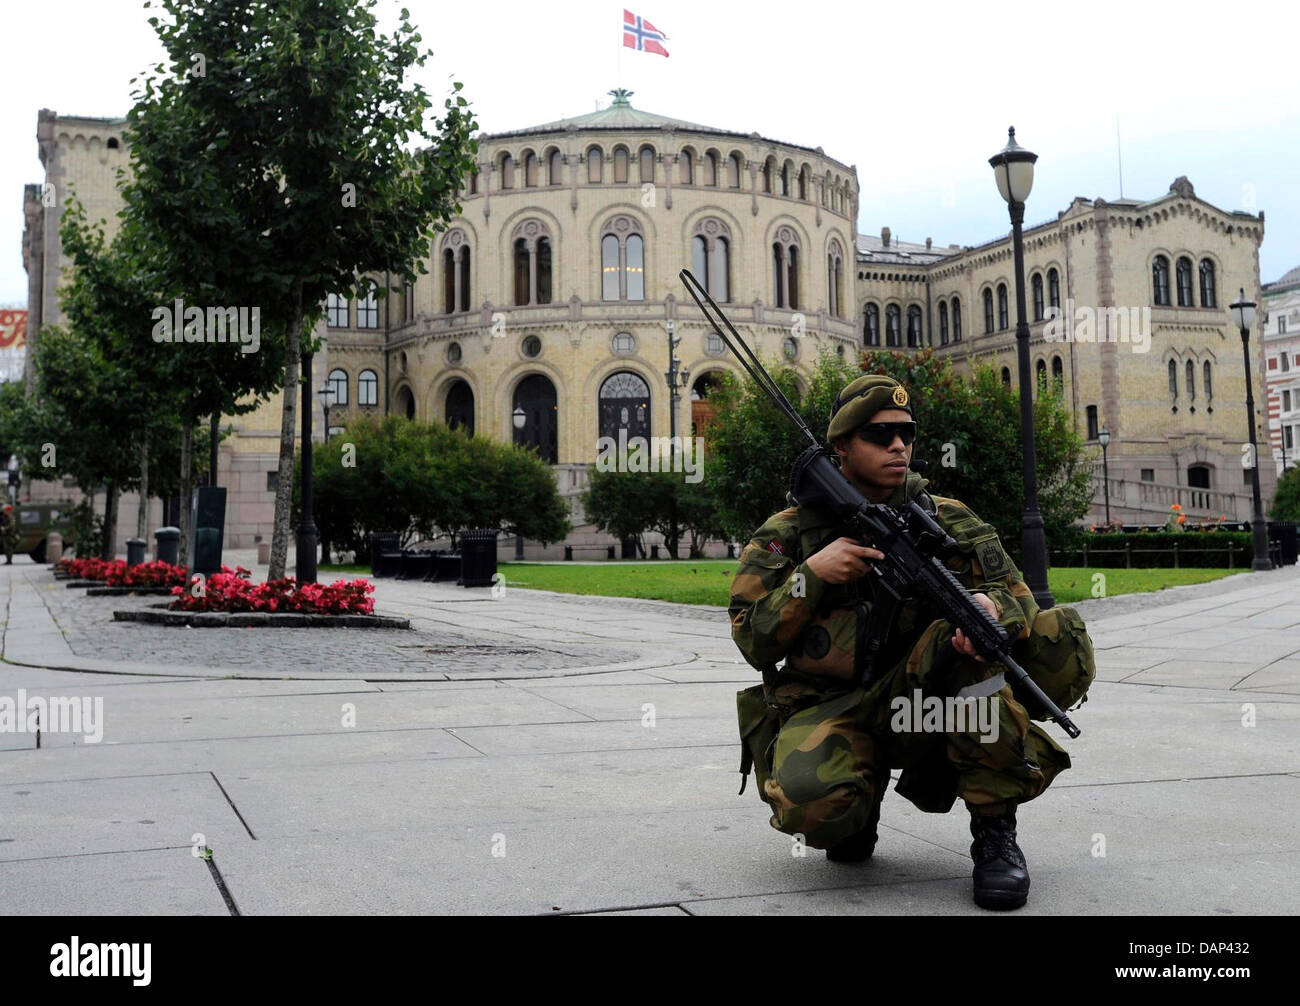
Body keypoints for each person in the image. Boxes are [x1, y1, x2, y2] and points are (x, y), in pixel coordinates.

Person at [730, 374, 1094, 910]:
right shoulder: (791, 532)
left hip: (927, 699)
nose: (899, 446)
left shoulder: (948, 520)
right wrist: (813, 574)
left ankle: (995, 837)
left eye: (907, 434)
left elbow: (1019, 597)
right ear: (842, 447)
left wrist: (994, 610)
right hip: (832, 704)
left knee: (974, 656)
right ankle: (858, 799)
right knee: (819, 814)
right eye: (880, 436)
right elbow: (751, 640)